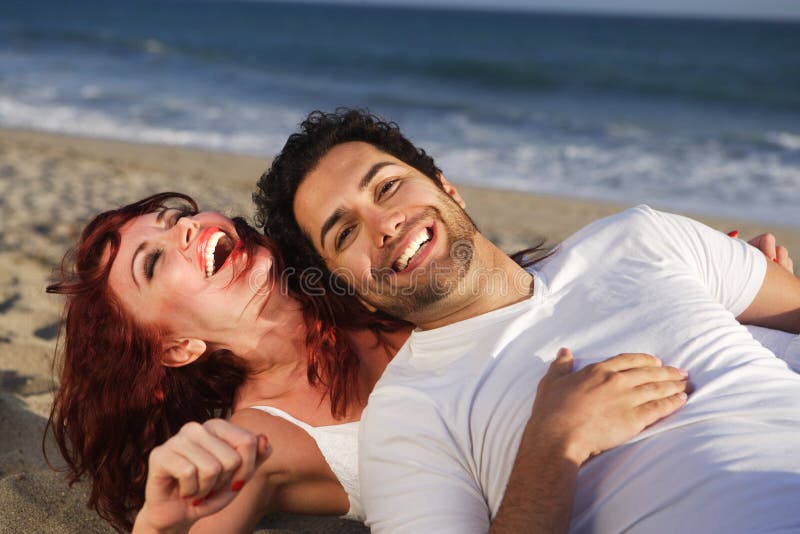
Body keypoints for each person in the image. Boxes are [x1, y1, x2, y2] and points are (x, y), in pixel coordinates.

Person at [255, 109, 800, 533]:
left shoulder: (641, 237)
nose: (386, 222)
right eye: (344, 232)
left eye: (388, 186)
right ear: (354, 292)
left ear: (447, 187)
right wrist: (552, 448)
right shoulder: (409, 415)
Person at [47, 192, 696, 534]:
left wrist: (705, 281)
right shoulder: (258, 445)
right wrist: (160, 524)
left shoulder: (371, 276)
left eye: (176, 218)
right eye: (154, 261)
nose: (184, 231)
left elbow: (538, 294)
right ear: (176, 348)